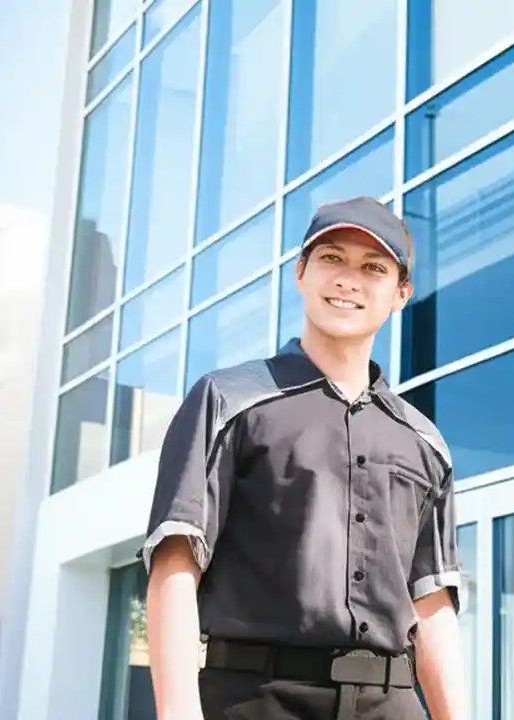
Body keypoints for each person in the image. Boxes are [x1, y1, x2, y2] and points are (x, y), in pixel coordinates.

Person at [139, 196, 466, 719]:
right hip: (257, 699)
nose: (348, 280)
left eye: (373, 268)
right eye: (332, 258)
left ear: (400, 293)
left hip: (392, 704)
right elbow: (176, 561)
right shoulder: (227, 401)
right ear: (301, 272)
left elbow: (431, 604)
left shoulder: (423, 442)